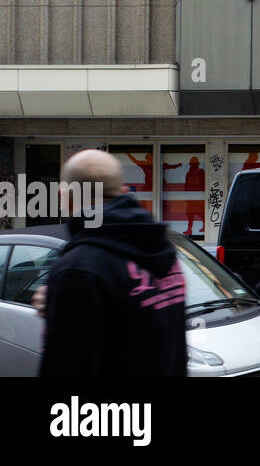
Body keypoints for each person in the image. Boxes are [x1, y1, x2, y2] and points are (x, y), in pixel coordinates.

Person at [38, 149, 187, 377]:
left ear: (64, 196)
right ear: (124, 191)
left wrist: (64, 302)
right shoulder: (163, 251)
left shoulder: (79, 269)